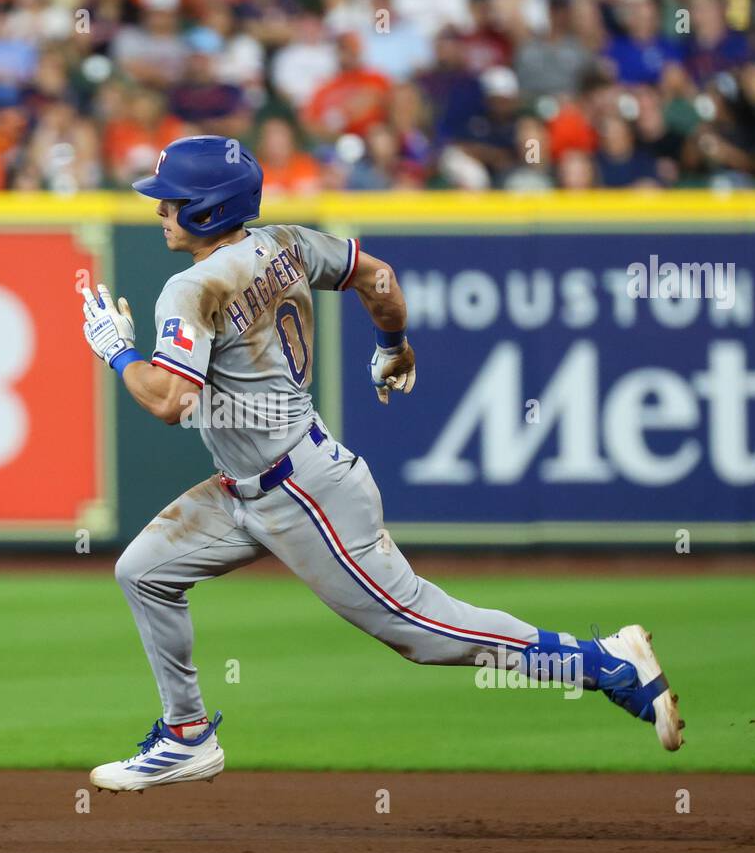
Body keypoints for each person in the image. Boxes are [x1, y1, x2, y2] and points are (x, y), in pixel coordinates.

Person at [78, 136, 684, 791]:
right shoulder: (286, 242)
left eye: (171, 203)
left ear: (205, 211)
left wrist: (117, 352)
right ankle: (186, 736)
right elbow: (379, 277)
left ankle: (604, 663)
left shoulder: (191, 287)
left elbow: (171, 402)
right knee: (144, 570)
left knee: (420, 630)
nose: (159, 212)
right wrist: (392, 344)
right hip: (253, 483)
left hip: (300, 490)